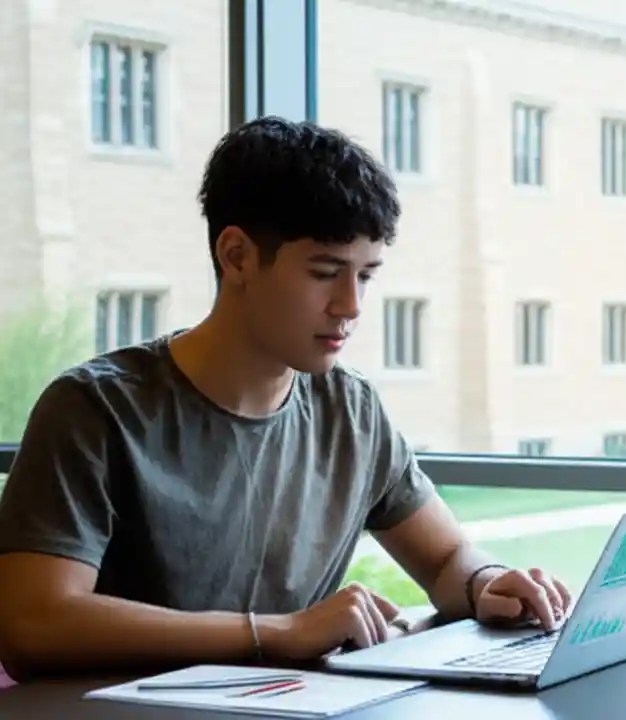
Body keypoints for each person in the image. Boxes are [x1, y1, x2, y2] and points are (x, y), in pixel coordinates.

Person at [0, 117, 572, 682]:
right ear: (237, 257)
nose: (350, 305)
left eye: (366, 276)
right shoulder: (94, 410)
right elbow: (33, 626)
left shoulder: (350, 409)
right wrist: (276, 632)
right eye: (326, 272)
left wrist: (487, 582)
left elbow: (447, 560)